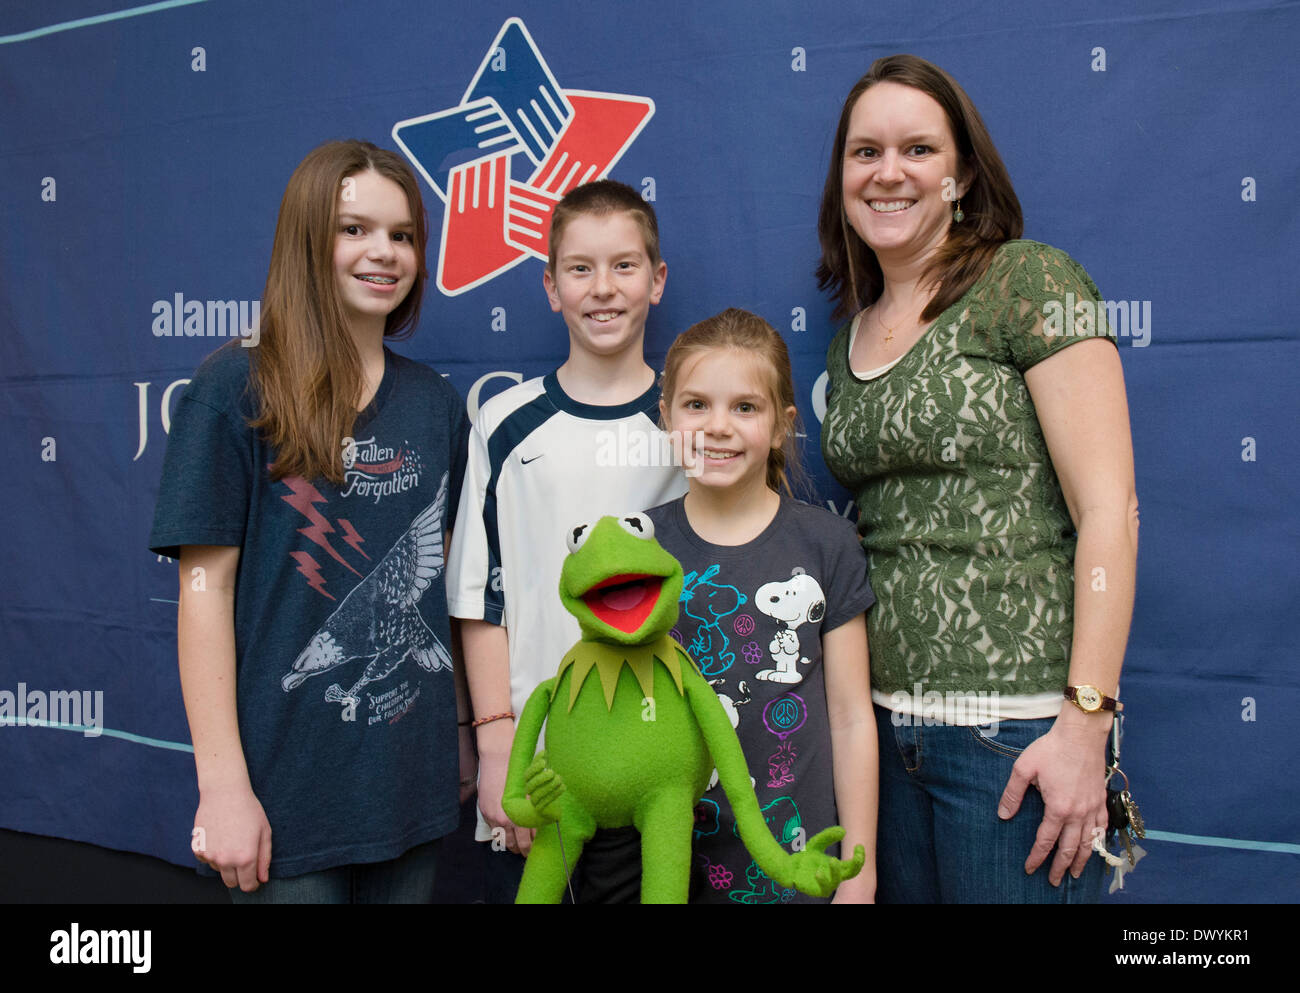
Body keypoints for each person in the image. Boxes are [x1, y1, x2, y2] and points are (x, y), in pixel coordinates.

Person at [816, 54, 1140, 903]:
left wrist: (1085, 721)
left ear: (961, 173)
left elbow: (1111, 509)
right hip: (886, 735)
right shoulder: (850, 333)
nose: (888, 172)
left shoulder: (1027, 281)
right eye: (865, 152)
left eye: (918, 149)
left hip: (1015, 732)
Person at [148, 140, 472, 902]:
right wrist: (223, 783)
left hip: (412, 790)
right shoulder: (233, 387)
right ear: (306, 238)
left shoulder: (435, 405)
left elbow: (446, 588)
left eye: (402, 235)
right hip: (282, 794)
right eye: (354, 228)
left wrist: (460, 731)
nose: (383, 253)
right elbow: (204, 591)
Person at [446, 179, 688, 902]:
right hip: (547, 765)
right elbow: (482, 598)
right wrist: (497, 748)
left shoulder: (695, 420)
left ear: (657, 278)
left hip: (661, 758)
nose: (603, 288)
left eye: (624, 265)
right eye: (580, 268)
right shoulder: (505, 421)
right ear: (551, 287)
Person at [643, 307, 877, 904]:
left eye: (744, 407)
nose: (718, 426)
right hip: (667, 866)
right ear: (666, 416)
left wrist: (860, 870)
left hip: (799, 866)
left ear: (781, 426)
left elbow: (850, 718)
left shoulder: (825, 545)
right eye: (696, 405)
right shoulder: (639, 548)